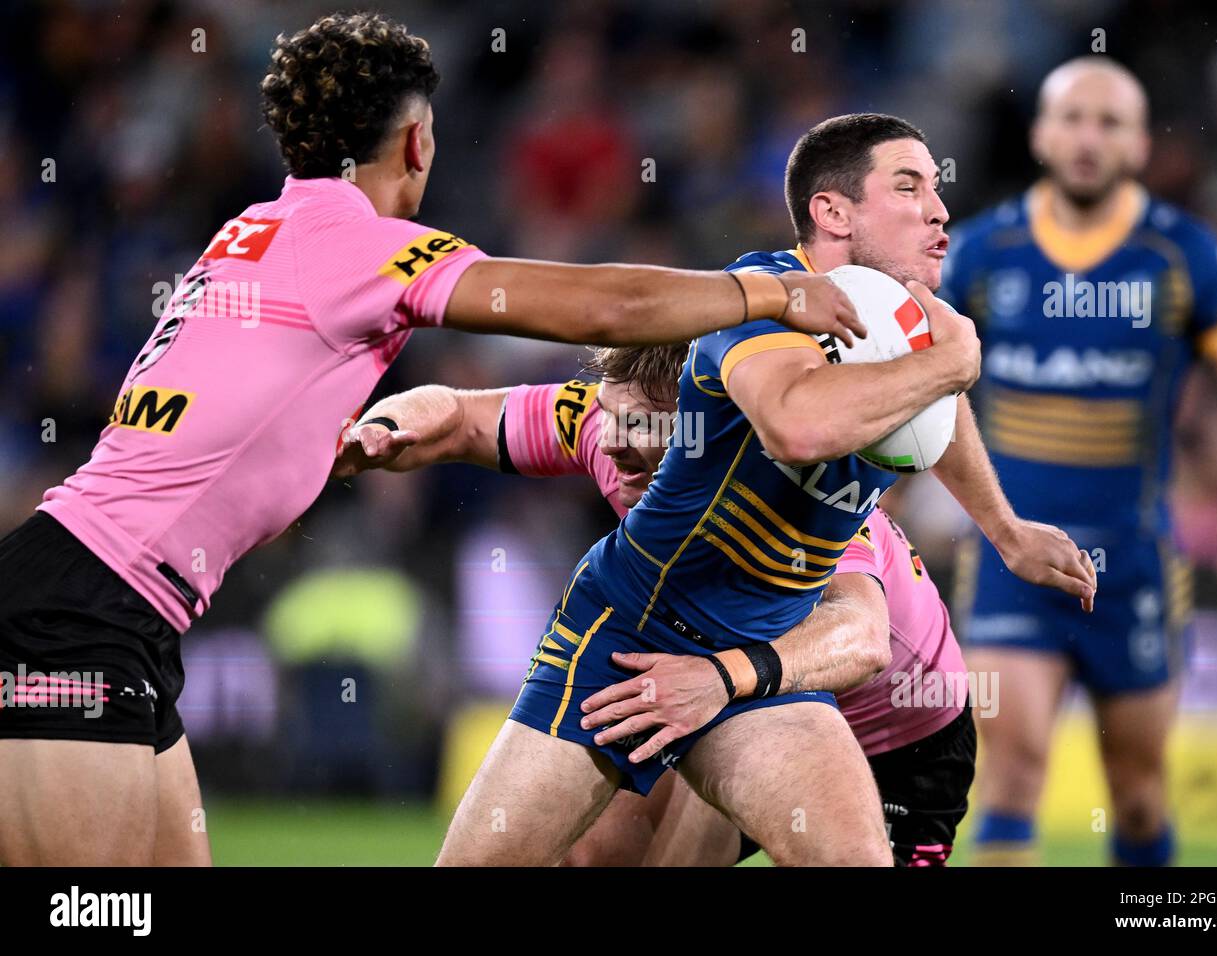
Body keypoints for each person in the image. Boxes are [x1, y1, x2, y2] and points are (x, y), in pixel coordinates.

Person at [0, 12, 865, 867]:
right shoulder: (358, 247)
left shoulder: (248, 234)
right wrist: (769, 295)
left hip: (113, 610)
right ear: (415, 142)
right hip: (79, 614)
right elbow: (607, 310)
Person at [429, 113, 1096, 867]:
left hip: (861, 707)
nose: (938, 210)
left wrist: (1005, 529)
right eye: (908, 187)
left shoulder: (900, 345)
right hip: (673, 648)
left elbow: (934, 420)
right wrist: (951, 364)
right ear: (832, 211)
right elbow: (800, 427)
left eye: (936, 190)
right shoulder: (760, 306)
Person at [337, 341, 977, 866]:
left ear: (713, 428)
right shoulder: (606, 426)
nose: (612, 445)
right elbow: (458, 415)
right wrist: (385, 427)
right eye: (612, 416)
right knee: (597, 857)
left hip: (901, 735)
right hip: (721, 676)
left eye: (643, 428)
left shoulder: (792, 490)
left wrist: (719, 678)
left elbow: (861, 636)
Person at [940, 56, 1217, 866]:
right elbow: (914, 375)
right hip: (1012, 557)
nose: (1088, 137)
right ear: (1039, 135)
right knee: (1011, 778)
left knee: (1137, 795)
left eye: (1109, 122)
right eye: (1070, 117)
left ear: (1139, 144)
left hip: (1133, 563)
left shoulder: (1180, 258)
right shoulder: (982, 252)